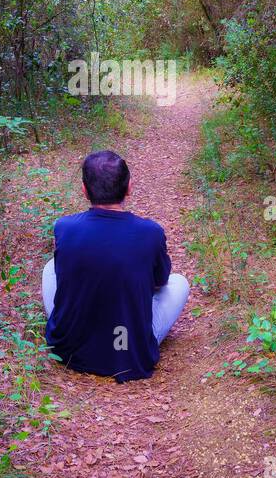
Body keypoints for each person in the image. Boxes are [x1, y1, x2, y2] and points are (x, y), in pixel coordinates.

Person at [42, 150, 190, 381]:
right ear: (129, 187)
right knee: (179, 282)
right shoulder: (150, 233)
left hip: (68, 349)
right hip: (126, 351)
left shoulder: (64, 227)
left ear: (84, 189)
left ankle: (70, 326)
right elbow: (161, 283)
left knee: (52, 266)